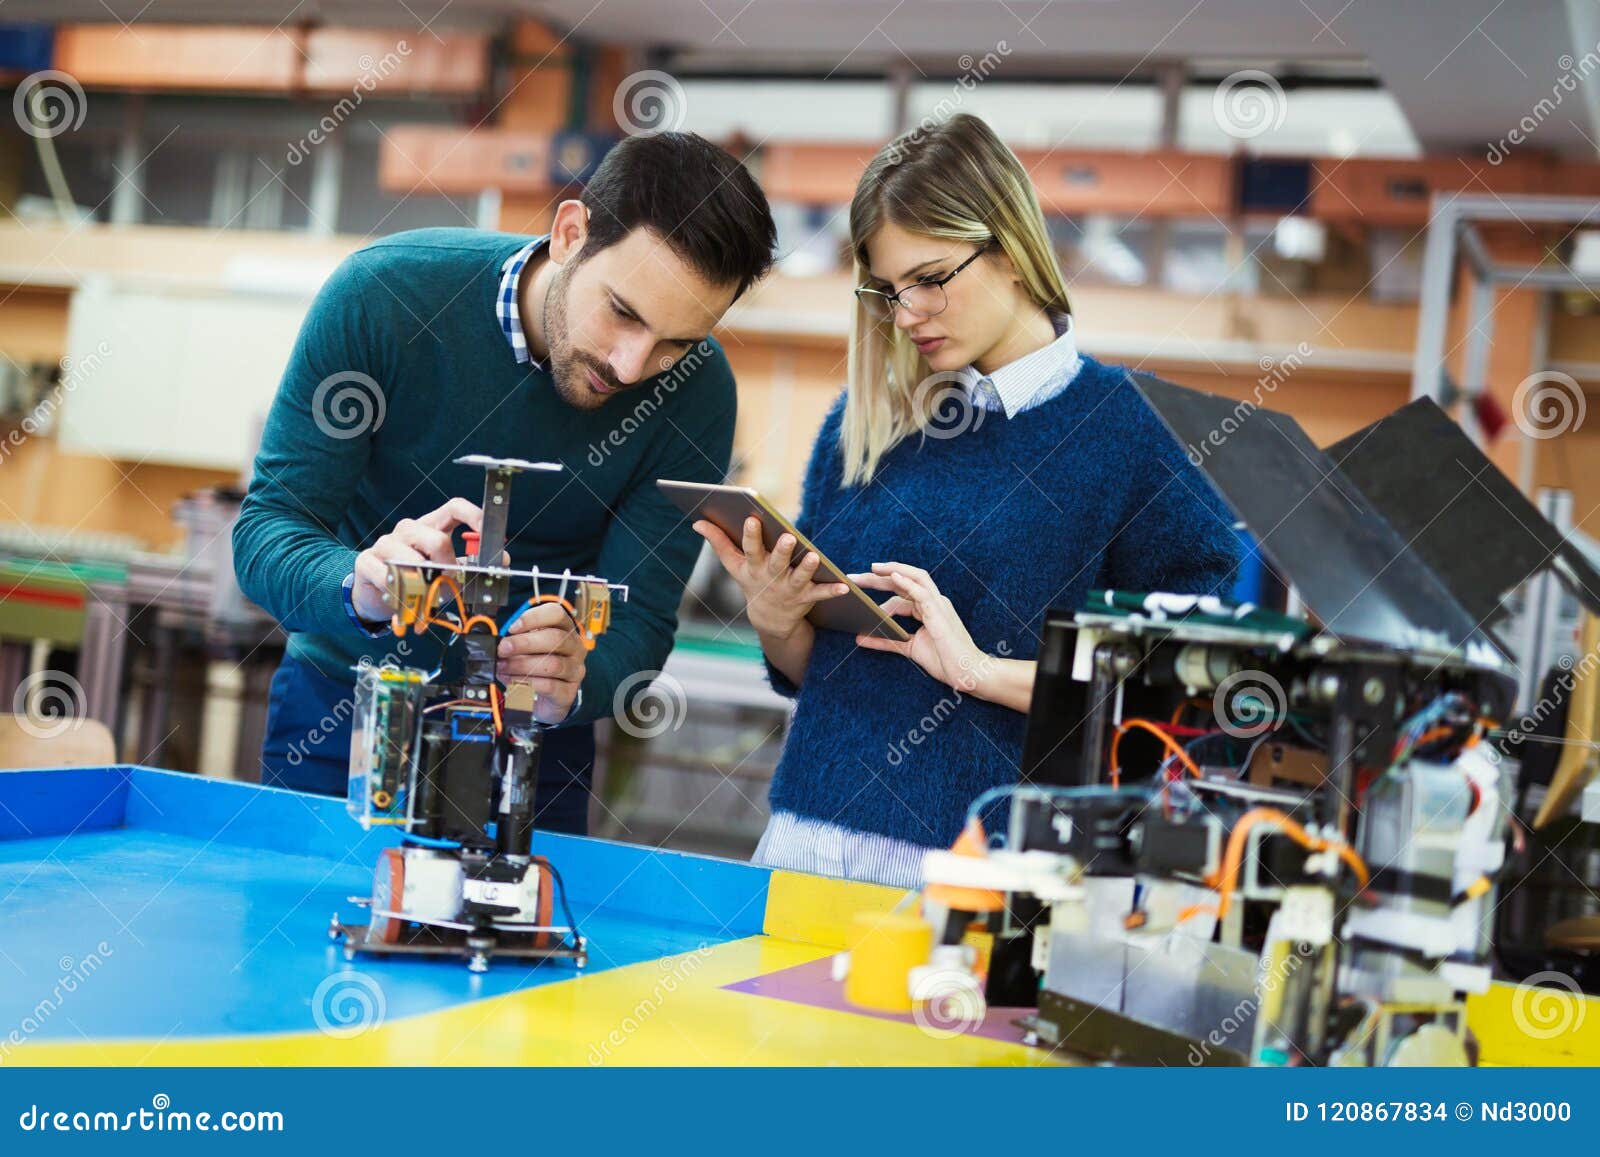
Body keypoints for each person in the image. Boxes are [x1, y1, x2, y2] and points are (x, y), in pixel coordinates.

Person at [695, 114, 1240, 888]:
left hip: (978, 878)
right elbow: (819, 670)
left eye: (930, 279)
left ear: (1010, 251)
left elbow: (1182, 686)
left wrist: (980, 671)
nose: (906, 313)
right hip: (800, 850)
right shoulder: (863, 426)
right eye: (888, 291)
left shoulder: (1135, 435)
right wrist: (777, 620)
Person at [234, 132, 777, 834]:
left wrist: (576, 678)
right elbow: (268, 531)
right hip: (344, 711)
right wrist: (358, 586)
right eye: (623, 312)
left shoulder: (697, 393)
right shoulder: (386, 296)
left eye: (677, 342)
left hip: (539, 743)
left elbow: (639, 622)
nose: (632, 365)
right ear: (571, 233)